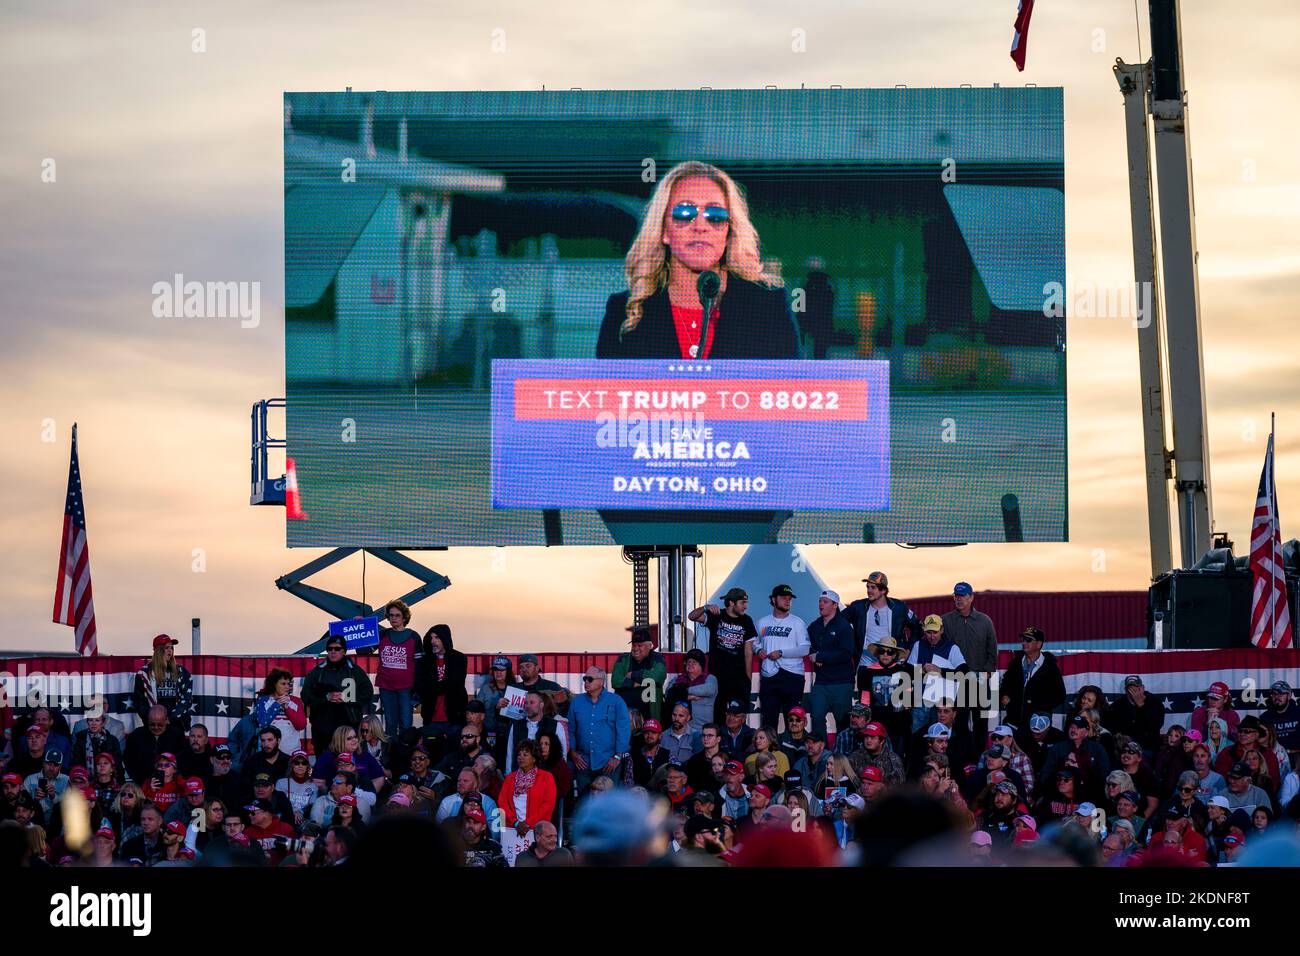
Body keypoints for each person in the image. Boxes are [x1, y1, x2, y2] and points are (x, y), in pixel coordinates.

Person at [595, 159, 799, 361]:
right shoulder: (623, 311)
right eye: (684, 213)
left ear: (729, 230)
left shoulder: (769, 304)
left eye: (715, 215)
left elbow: (793, 389)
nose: (700, 226)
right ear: (664, 230)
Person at [688, 587, 758, 725]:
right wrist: (706, 607)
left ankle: (738, 745)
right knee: (719, 717)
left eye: (746, 602)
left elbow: (748, 652)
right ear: (732, 603)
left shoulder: (747, 621)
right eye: (743, 602)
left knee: (739, 717)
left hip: (739, 678)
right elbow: (692, 616)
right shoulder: (717, 615)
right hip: (718, 677)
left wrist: (748, 679)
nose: (746, 606)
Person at [941, 582, 998, 743]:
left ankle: (980, 760)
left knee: (980, 723)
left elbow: (992, 650)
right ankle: (962, 761)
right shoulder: (946, 621)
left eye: (962, 596)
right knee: (959, 724)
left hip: (979, 681)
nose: (958, 599)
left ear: (971, 597)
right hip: (955, 681)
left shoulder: (984, 621)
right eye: (956, 596)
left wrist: (987, 673)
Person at [301, 636, 375, 754]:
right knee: (325, 766)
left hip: (349, 725)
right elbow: (305, 695)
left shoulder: (355, 671)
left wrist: (347, 698)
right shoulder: (317, 671)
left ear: (344, 651)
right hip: (322, 729)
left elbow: (367, 693)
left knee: (349, 762)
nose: (333, 652)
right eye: (330, 649)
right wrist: (326, 697)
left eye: (337, 649)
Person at [754, 584, 811, 730]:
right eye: (783, 597)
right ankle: (769, 752)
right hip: (769, 676)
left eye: (789, 598)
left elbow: (805, 648)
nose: (787, 601)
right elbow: (754, 643)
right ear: (773, 599)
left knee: (793, 720)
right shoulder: (762, 622)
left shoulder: (797, 623)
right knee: (768, 720)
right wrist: (758, 650)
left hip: (792, 675)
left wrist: (781, 653)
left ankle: (793, 751)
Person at [843, 571, 922, 674]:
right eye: (868, 587)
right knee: (866, 690)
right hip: (866, 661)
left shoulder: (899, 607)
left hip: (891, 659)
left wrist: (908, 649)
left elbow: (918, 627)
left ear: (883, 590)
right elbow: (837, 623)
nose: (869, 591)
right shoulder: (858, 607)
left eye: (873, 588)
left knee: (891, 689)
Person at [568, 667, 631, 795]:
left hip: (609, 762)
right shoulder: (576, 702)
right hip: (583, 762)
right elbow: (570, 729)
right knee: (584, 802)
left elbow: (623, 730)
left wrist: (617, 757)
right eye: (585, 679)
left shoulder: (616, 701)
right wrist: (573, 753)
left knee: (608, 804)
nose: (586, 682)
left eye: (590, 679)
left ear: (601, 682)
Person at [807, 588, 856, 738]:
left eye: (825, 602)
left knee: (842, 721)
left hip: (841, 681)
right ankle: (820, 752)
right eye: (820, 601)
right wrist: (813, 654)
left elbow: (847, 653)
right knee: (816, 716)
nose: (821, 604)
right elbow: (807, 645)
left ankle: (843, 754)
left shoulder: (844, 626)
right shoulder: (814, 626)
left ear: (835, 605)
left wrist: (821, 656)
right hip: (821, 682)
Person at [999, 627, 1066, 732]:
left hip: (1037, 726)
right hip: (1014, 722)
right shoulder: (1015, 664)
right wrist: (1004, 695)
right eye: (1023, 640)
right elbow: (1005, 685)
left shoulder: (1051, 667)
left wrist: (1039, 706)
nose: (1024, 643)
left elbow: (1060, 695)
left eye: (1028, 640)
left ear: (1039, 644)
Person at [414, 623, 469, 742]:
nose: (433, 641)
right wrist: (444, 685)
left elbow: (456, 684)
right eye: (431, 638)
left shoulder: (459, 658)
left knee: (453, 753)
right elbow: (421, 688)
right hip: (431, 718)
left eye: (437, 637)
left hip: (454, 718)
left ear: (445, 638)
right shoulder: (424, 662)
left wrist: (432, 686)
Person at [374, 599, 421, 738]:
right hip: (386, 687)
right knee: (390, 725)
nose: (393, 618)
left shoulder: (414, 637)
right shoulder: (382, 635)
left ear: (405, 617)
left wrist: (418, 690)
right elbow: (364, 649)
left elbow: (420, 665)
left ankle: (407, 757)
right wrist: (359, 624)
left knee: (406, 724)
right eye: (391, 615)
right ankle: (391, 757)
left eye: (397, 615)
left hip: (406, 688)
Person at [499, 739, 557, 850]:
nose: (521, 757)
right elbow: (502, 803)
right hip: (513, 829)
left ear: (534, 758)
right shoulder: (510, 778)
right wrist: (516, 823)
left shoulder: (547, 777)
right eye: (519, 754)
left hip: (538, 831)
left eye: (525, 754)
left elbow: (548, 805)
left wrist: (527, 824)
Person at [131, 634, 194, 730]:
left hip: (177, 725)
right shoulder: (144, 674)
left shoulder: (182, 672)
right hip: (154, 726)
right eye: (166, 648)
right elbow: (139, 702)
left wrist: (171, 718)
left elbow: (187, 699)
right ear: (158, 650)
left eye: (171, 648)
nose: (170, 651)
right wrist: (155, 718)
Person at [501, 689, 569, 771]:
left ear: (541, 705)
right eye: (526, 703)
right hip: (520, 776)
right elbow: (510, 754)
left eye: (532, 702)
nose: (528, 706)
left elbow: (563, 754)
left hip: (546, 776)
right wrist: (509, 776)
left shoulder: (555, 725)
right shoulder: (516, 726)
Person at [611, 625, 668, 723]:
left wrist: (632, 675)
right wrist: (636, 684)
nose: (636, 649)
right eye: (634, 645)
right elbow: (615, 681)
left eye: (640, 645)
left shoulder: (658, 658)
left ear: (650, 646)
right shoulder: (623, 659)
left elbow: (658, 677)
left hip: (650, 719)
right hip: (626, 719)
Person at [122, 706, 187, 786]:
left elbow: (183, 760)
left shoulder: (177, 735)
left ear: (166, 720)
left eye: (160, 725)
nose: (156, 727)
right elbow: (129, 760)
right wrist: (141, 781)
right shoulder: (136, 735)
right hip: (143, 785)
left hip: (172, 786)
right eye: (152, 724)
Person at [1215, 716, 1281, 791]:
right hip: (1233, 796)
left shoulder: (1268, 754)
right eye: (1240, 731)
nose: (1242, 734)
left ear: (1257, 735)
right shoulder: (1227, 753)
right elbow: (1221, 780)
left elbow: (1274, 781)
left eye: (1247, 731)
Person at [252, 669, 307, 758]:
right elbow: (262, 723)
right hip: (268, 754)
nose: (287, 687)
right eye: (283, 683)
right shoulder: (263, 700)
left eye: (288, 684)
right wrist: (277, 704)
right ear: (274, 684)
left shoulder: (296, 701)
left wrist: (287, 708)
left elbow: (301, 725)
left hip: (291, 752)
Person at [662, 649, 717, 734]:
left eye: (694, 662)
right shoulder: (677, 679)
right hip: (679, 730)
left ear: (701, 665)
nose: (690, 664)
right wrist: (686, 695)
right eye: (688, 662)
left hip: (702, 731)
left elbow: (709, 689)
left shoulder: (710, 678)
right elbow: (668, 694)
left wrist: (683, 691)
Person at [1107, 675, 1164, 754]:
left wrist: (1141, 706)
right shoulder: (1118, 705)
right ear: (1126, 690)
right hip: (1125, 747)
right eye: (1130, 689)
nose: (1133, 691)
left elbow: (1156, 725)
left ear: (1142, 688)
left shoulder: (1155, 702)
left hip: (1148, 747)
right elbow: (1112, 726)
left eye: (1136, 688)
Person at [479, 656, 517, 745]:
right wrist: (495, 707)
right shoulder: (485, 688)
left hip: (511, 733)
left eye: (502, 670)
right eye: (495, 670)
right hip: (490, 732)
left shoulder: (517, 689)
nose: (498, 673)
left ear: (508, 671)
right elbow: (478, 711)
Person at [70, 712, 122, 776]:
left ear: (103, 723)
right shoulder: (81, 739)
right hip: (87, 780)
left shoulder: (112, 740)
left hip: (108, 779)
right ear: (87, 722)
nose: (93, 723)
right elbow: (77, 763)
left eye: (97, 720)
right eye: (90, 720)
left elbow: (118, 764)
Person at [1261, 680, 1300, 758]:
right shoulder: (1265, 717)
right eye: (1274, 694)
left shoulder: (1298, 713)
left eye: (1281, 694)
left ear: (1289, 696)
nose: (1277, 697)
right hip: (1274, 758)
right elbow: (1263, 742)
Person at [684, 724, 727, 794]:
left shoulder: (729, 758)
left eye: (710, 736)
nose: (705, 738)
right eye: (703, 735)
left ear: (718, 739)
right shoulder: (694, 761)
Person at [630, 719, 671, 787]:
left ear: (660, 735)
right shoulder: (633, 755)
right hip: (638, 794)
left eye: (653, 732)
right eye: (646, 732)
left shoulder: (668, 755)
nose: (649, 736)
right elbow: (628, 781)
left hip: (660, 794)